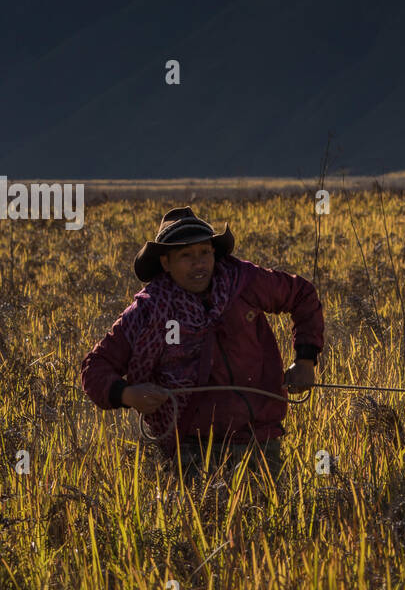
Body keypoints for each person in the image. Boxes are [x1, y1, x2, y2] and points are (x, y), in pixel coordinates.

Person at [80, 206, 324, 491]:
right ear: (166, 263)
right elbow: (95, 368)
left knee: (268, 524)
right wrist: (127, 394)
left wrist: (306, 361)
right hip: (190, 450)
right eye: (186, 255)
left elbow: (301, 295)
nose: (199, 264)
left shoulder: (242, 282)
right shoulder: (148, 310)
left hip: (259, 439)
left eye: (204, 253)